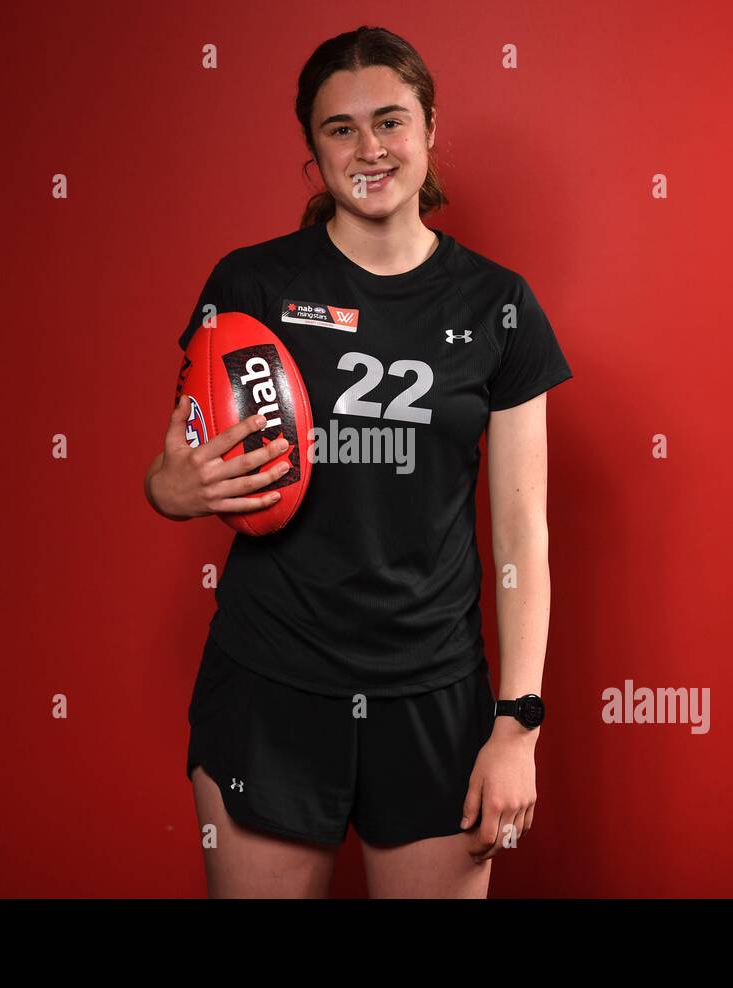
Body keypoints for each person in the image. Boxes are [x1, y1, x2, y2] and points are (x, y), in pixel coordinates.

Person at [146, 25, 573, 898]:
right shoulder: (252, 283)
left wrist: (516, 726)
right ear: (313, 147)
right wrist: (169, 490)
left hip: (433, 693)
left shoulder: (500, 305)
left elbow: (521, 535)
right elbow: (175, 469)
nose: (369, 148)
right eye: (340, 128)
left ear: (428, 127)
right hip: (271, 681)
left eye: (390, 120)